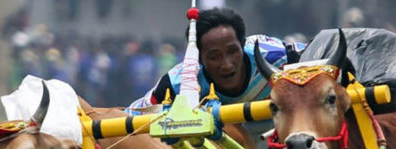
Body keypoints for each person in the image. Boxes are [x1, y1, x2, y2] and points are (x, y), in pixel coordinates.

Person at [127, 7, 305, 111]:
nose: (227, 64)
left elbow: (322, 60)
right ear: (199, 59)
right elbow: (133, 116)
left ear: (243, 44)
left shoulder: (278, 56)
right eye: (214, 56)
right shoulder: (177, 83)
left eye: (232, 51)